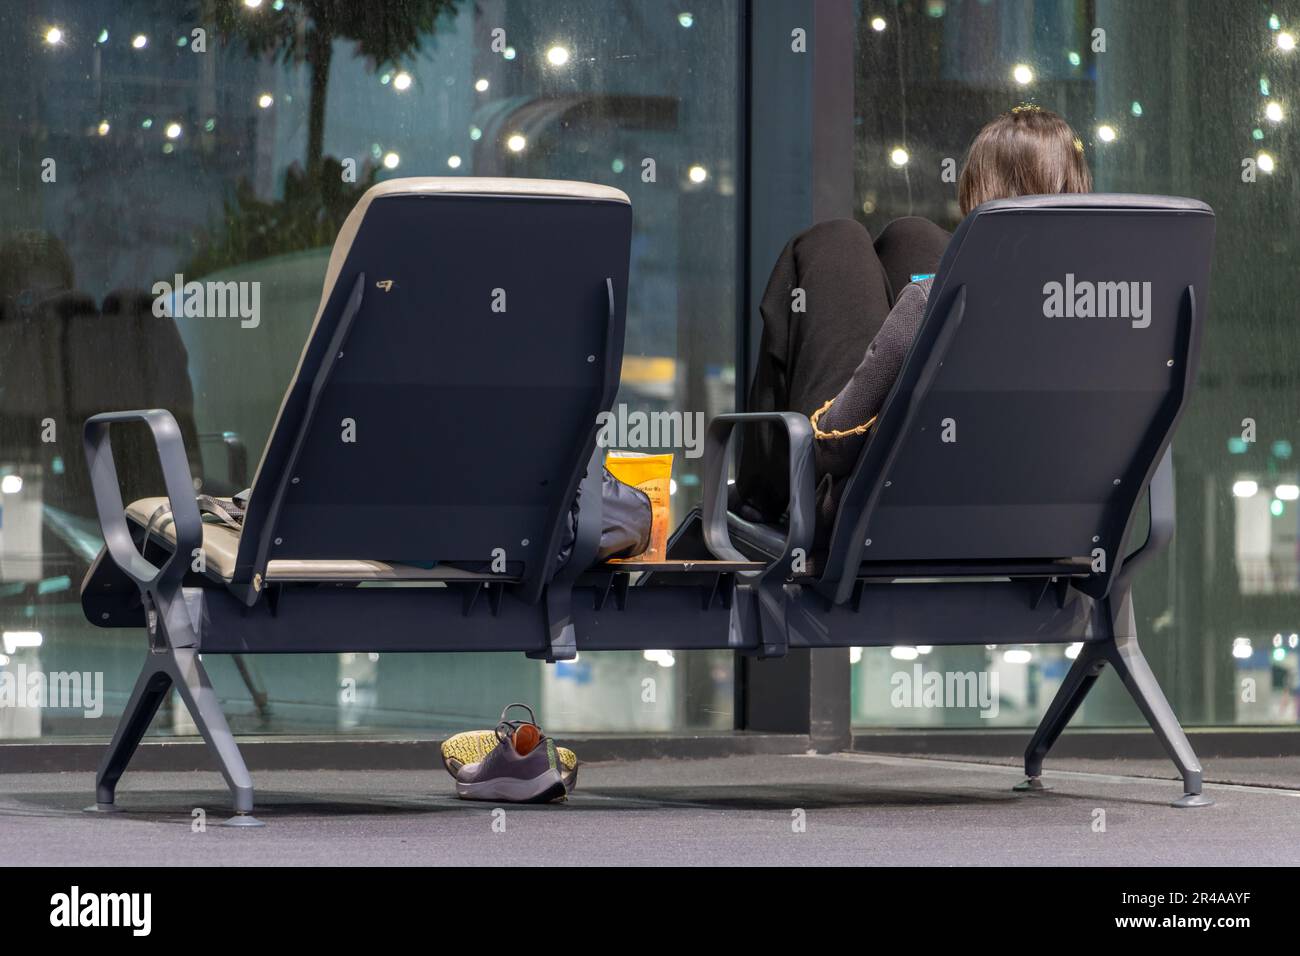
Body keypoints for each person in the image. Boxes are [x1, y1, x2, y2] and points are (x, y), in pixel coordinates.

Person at [733, 105, 1093, 544]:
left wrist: (887, 369)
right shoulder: (1103, 309)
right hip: (1036, 520)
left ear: (980, 192)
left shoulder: (928, 305)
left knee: (834, 242)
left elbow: (830, 441)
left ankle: (753, 498)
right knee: (912, 235)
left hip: (878, 520)